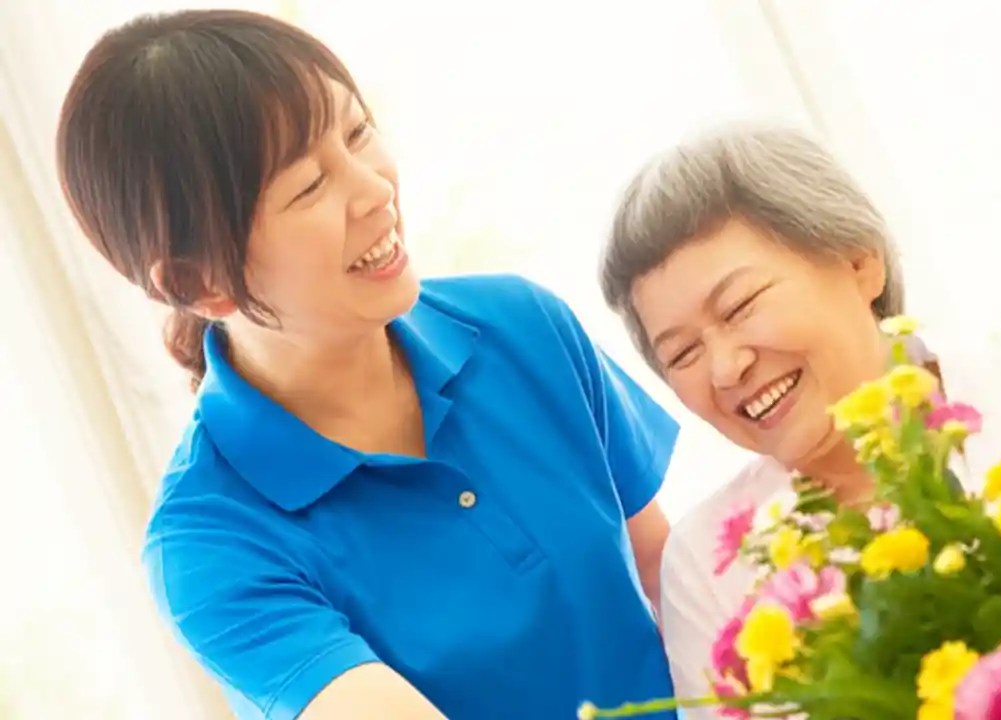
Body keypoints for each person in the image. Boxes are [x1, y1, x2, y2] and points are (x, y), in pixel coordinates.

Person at [56, 10, 678, 719]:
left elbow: (675, 581)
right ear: (200, 285)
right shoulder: (212, 545)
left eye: (357, 133)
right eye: (308, 187)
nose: (376, 189)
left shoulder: (523, 327)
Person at [599, 125, 984, 717]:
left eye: (740, 306)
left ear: (860, 262)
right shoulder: (707, 563)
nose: (726, 369)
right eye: (682, 354)